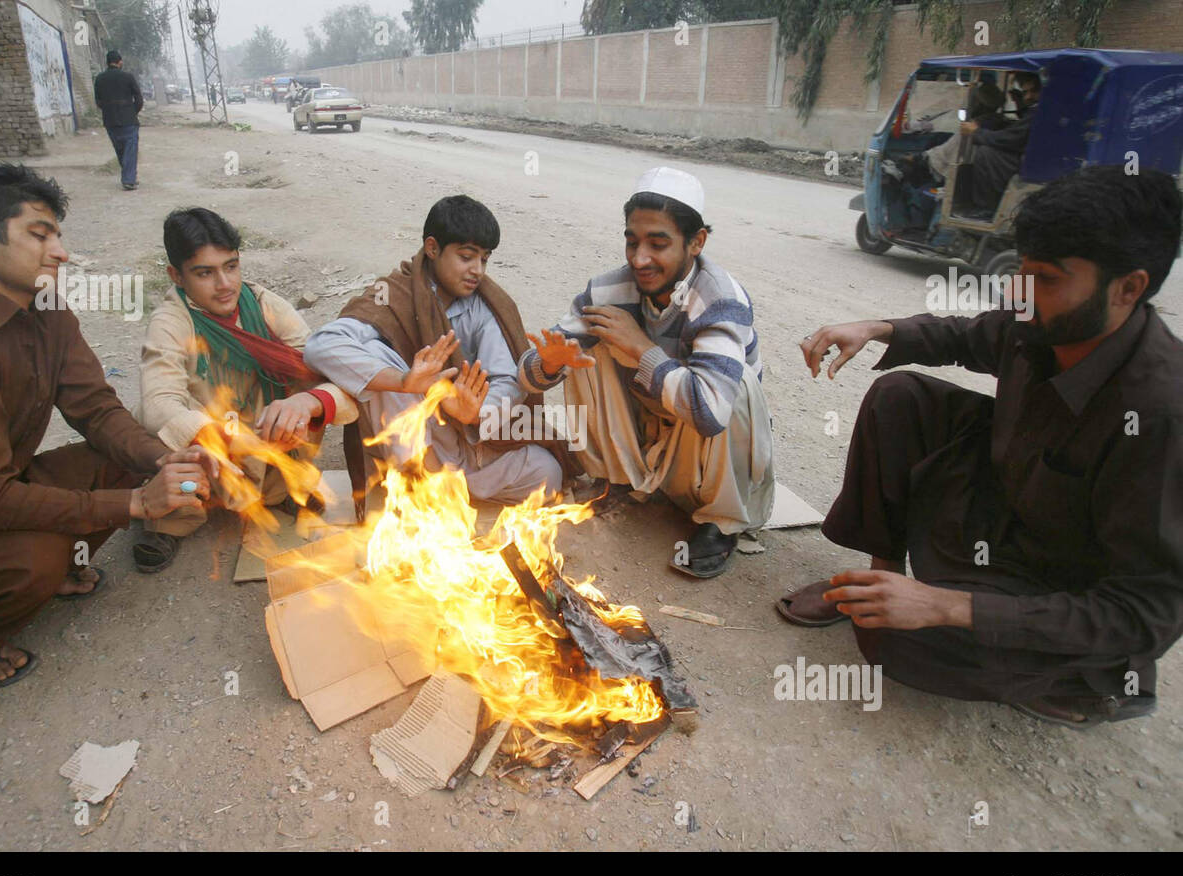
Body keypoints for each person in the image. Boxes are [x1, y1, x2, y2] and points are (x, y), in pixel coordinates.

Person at [779, 166, 1183, 730]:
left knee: (896, 645)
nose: (1020, 293)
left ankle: (1088, 679)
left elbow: (1146, 611)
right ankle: (878, 584)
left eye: (1044, 278)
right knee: (901, 395)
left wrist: (949, 606)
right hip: (1006, 506)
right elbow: (967, 336)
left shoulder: (1161, 414)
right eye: (1021, 272)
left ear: (1129, 288)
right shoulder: (1040, 320)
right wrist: (880, 327)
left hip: (1057, 580)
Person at [0, 165, 218, 688]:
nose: (60, 251)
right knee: (37, 557)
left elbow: (98, 411)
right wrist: (136, 505)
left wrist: (162, 461)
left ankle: (44, 566)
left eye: (58, 236)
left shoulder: (48, 313)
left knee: (127, 458)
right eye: (40, 234)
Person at [518, 167, 775, 579]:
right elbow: (527, 376)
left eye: (658, 244)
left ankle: (721, 523)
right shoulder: (608, 291)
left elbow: (710, 414)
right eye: (632, 242)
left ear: (696, 242)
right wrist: (549, 362)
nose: (640, 259)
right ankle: (614, 479)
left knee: (735, 383)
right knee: (587, 347)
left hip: (708, 460)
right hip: (650, 441)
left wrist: (641, 348)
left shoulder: (721, 298)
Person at [305, 195, 565, 507]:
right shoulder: (393, 295)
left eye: (484, 259)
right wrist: (403, 380)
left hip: (460, 443)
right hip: (408, 443)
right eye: (467, 257)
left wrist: (477, 413)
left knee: (547, 473)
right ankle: (416, 480)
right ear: (432, 248)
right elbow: (322, 345)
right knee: (378, 351)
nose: (477, 270)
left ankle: (442, 493)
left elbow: (507, 380)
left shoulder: (484, 306)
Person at [136, 208, 358, 571]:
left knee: (310, 390)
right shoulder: (172, 321)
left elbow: (330, 368)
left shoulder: (264, 305)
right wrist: (217, 437)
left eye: (231, 266)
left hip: (266, 437)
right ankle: (169, 522)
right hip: (215, 447)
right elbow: (159, 402)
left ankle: (284, 488)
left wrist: (306, 403)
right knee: (165, 430)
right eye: (205, 273)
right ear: (176, 276)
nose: (224, 284)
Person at [961, 71, 1042, 212]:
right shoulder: (1035, 111)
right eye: (1025, 93)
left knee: (986, 153)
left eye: (1034, 91)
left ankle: (986, 207)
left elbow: (1010, 139)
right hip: (1035, 157)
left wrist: (976, 132)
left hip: (1031, 162)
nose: (1028, 97)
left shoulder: (1041, 112)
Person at [93, 50, 143, 191]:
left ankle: (129, 177)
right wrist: (133, 112)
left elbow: (98, 101)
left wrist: (109, 110)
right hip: (128, 119)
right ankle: (128, 179)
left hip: (110, 120)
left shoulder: (100, 79)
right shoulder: (127, 77)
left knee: (120, 149)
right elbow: (138, 98)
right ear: (119, 62)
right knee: (130, 150)